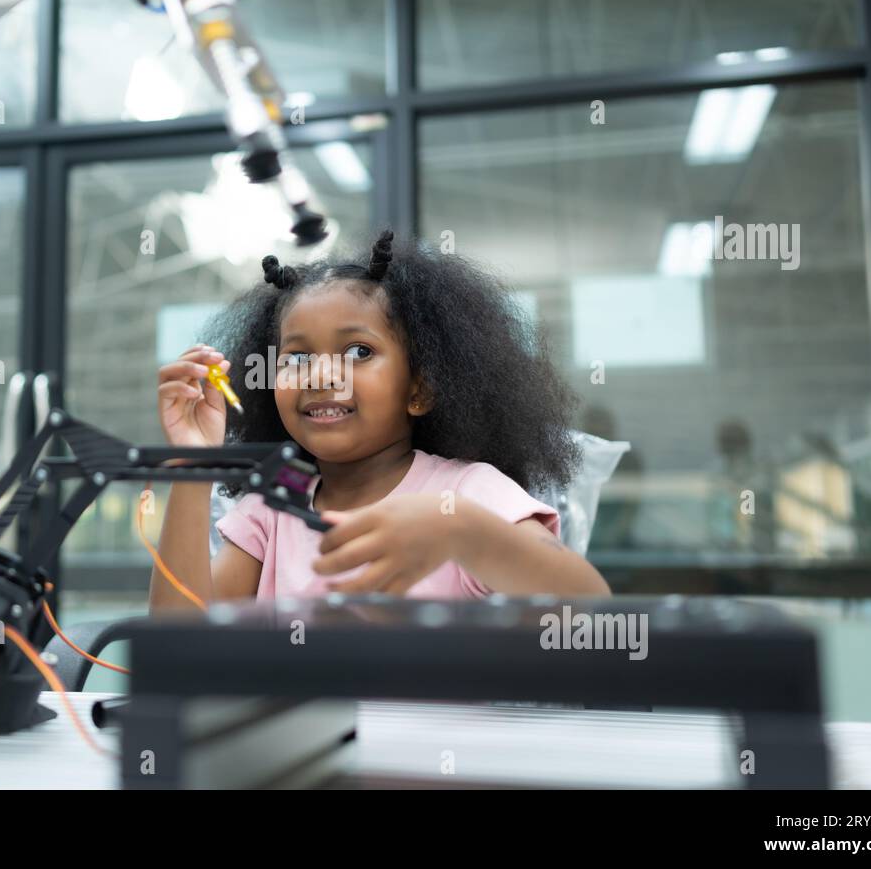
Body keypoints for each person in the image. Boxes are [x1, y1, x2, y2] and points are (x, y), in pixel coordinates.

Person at [150, 230, 609, 610]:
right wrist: (195, 463)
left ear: (419, 389)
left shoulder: (467, 494)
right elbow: (178, 646)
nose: (321, 375)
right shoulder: (272, 507)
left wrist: (463, 532)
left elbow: (590, 614)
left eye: (358, 352)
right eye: (296, 358)